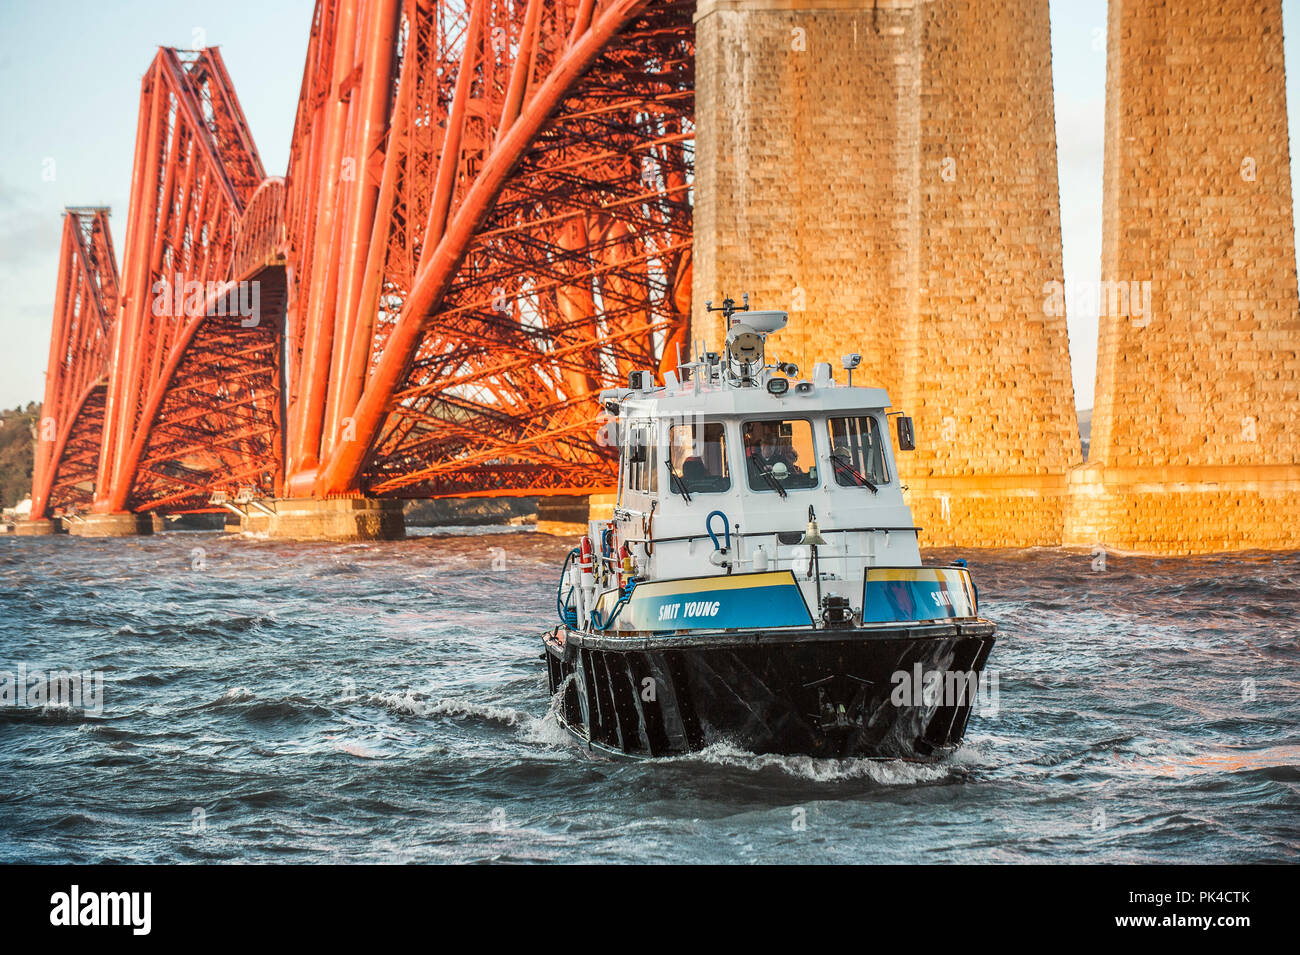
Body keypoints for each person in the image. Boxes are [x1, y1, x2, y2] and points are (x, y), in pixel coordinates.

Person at [745, 420, 804, 487]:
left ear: (775, 447)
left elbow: (788, 480)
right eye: (765, 444)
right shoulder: (751, 461)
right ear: (760, 445)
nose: (768, 447)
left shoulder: (782, 460)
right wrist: (761, 470)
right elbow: (749, 479)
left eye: (771, 444)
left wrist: (776, 470)